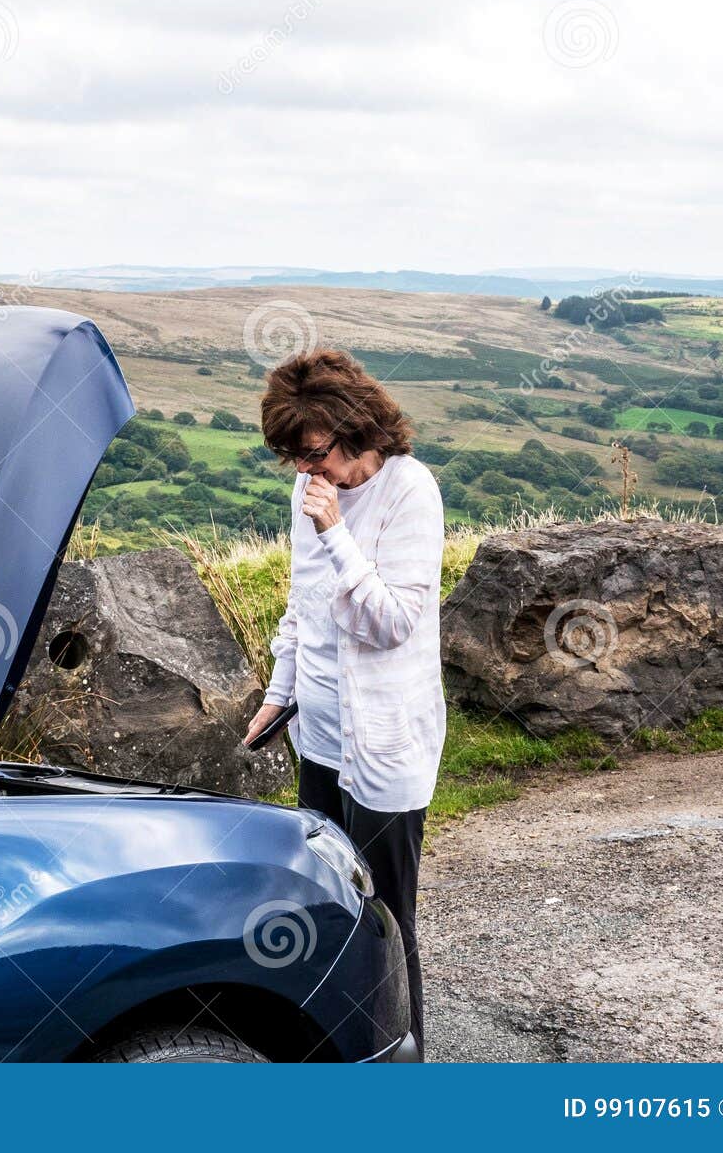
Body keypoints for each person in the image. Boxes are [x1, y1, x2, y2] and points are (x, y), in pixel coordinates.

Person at [243, 348, 445, 1059]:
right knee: (325, 905)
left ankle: (405, 1065)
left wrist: (335, 534)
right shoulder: (311, 493)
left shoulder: (410, 491)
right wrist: (279, 694)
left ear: (354, 428)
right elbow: (304, 608)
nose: (304, 471)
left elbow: (390, 623)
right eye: (293, 458)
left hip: (387, 745)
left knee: (385, 920)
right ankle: (328, 1055)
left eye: (313, 453)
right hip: (322, 736)